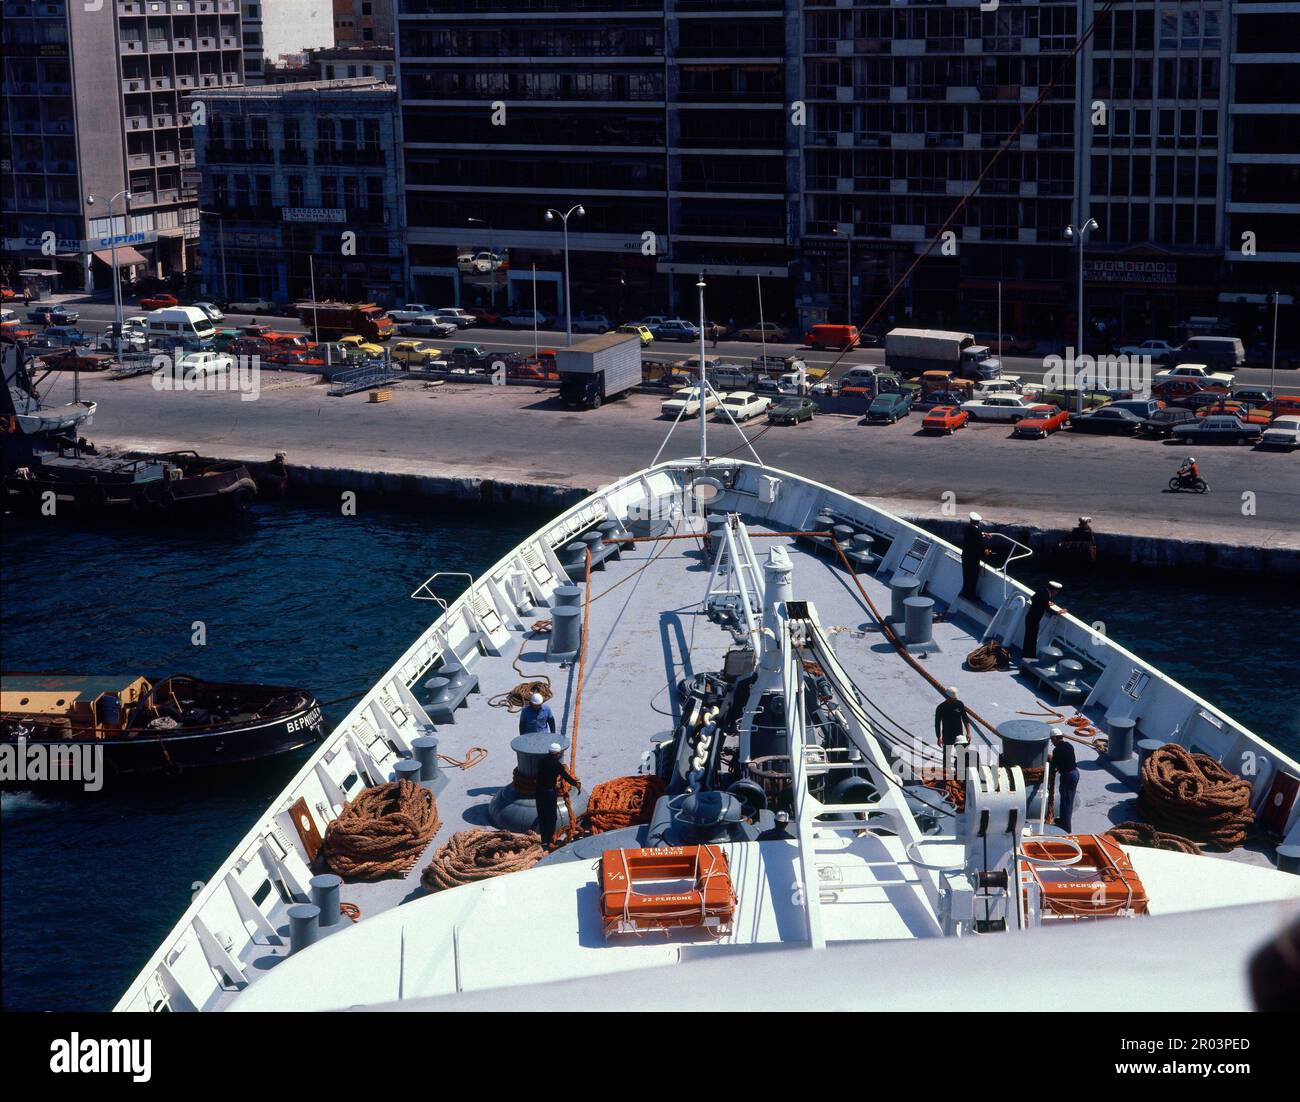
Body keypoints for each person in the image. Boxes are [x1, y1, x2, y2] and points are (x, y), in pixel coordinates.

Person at [535, 742, 581, 849]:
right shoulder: (557, 765)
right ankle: (550, 840)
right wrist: (576, 784)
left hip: (539, 791)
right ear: (557, 754)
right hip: (549, 792)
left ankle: (544, 839)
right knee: (551, 817)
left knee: (542, 815)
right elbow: (566, 777)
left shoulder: (540, 761)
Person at [933, 687, 972, 779]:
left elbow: (965, 719)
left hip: (959, 735)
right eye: (953, 698)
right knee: (947, 755)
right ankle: (945, 775)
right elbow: (937, 723)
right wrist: (939, 737)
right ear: (948, 697)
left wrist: (968, 732)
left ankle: (961, 775)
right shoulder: (941, 708)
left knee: (961, 754)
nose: (955, 699)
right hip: (947, 735)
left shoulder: (959, 704)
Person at [1021, 581, 1063, 662]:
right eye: (1057, 591)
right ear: (1054, 590)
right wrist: (1058, 612)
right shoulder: (1046, 594)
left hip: (1030, 618)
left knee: (1028, 638)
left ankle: (1025, 656)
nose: (1056, 593)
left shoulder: (1042, 590)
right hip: (1034, 620)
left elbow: (1033, 598)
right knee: (1032, 640)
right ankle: (1030, 658)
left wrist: (1045, 603)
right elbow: (1047, 609)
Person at [1050, 729, 1079, 833]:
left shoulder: (1057, 751)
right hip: (1075, 773)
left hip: (1067, 776)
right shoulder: (1069, 745)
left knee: (1066, 801)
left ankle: (1066, 827)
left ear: (1055, 738)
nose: (1052, 743)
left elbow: (1053, 766)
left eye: (1052, 740)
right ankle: (1063, 820)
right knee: (1067, 799)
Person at [959, 511, 985, 600]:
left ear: (970, 520)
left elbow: (972, 538)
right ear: (978, 522)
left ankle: (965, 592)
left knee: (966, 575)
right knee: (973, 576)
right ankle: (971, 595)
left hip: (966, 556)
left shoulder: (967, 529)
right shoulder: (977, 532)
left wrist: (983, 534)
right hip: (973, 558)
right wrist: (986, 552)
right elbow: (979, 545)